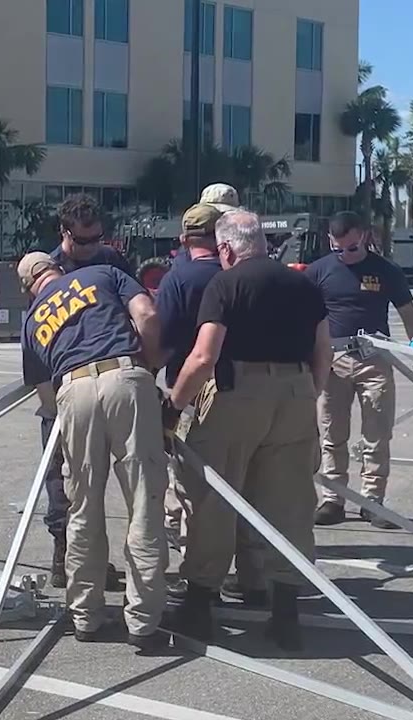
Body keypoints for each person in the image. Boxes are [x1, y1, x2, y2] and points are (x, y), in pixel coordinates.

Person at [166, 210, 331, 651]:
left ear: (226, 249)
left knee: (214, 496)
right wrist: (305, 393)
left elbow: (204, 356)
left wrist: (174, 404)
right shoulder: (303, 283)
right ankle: (285, 612)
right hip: (296, 391)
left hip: (239, 390)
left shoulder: (226, 284)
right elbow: (323, 352)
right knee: (290, 503)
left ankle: (199, 603)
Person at [17, 251, 170, 652]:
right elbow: (148, 316)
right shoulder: (103, 274)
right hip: (125, 374)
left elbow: (45, 397)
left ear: (28, 288)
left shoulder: (33, 318)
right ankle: (143, 619)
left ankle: (86, 614)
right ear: (58, 271)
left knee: (82, 506)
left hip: (73, 389)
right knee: (144, 499)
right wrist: (149, 369)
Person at [308, 211, 413, 529]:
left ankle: (372, 501)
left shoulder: (384, 270)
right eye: (338, 249)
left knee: (376, 432)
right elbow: (298, 314)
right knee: (332, 433)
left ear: (363, 235)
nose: (345, 255)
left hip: (374, 360)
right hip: (332, 361)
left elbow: (408, 311)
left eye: (351, 248)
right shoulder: (318, 272)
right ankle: (333, 499)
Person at [39, 193, 133, 589]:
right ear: (64, 234)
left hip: (109, 380)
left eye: (98, 238)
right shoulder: (48, 269)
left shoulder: (111, 263)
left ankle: (95, 559)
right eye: (83, 241)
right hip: (63, 387)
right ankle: (65, 554)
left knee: (108, 477)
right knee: (63, 476)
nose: (92, 247)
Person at [152, 204, 224, 582]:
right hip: (235, 384)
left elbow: (160, 338)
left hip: (189, 386)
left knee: (188, 478)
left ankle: (193, 566)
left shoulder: (178, 279)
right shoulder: (234, 273)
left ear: (183, 239)